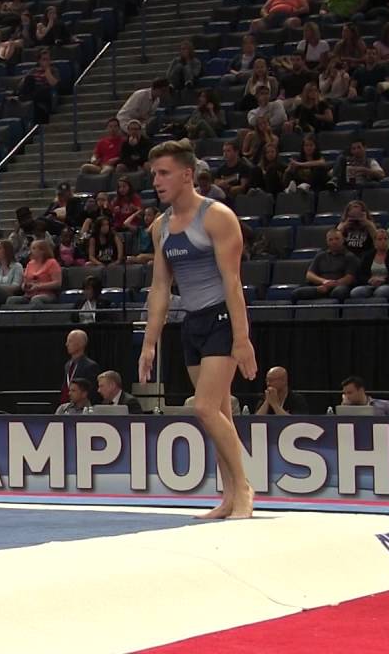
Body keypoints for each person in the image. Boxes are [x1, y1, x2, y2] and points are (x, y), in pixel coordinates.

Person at [137, 139, 256, 519]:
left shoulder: (217, 217)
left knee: (203, 408)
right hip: (192, 323)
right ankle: (229, 497)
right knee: (219, 411)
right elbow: (160, 288)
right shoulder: (161, 228)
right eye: (154, 174)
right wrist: (149, 343)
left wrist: (242, 339)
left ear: (188, 175)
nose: (156, 180)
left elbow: (233, 282)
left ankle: (246, 489)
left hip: (221, 317)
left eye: (164, 173)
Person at [294, 229, 359, 301]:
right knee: (297, 293)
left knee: (339, 292)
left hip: (339, 286)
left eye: (337, 239)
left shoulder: (350, 257)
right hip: (321, 286)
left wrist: (331, 285)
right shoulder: (320, 256)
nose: (334, 242)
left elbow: (349, 279)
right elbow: (309, 275)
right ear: (327, 242)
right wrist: (324, 282)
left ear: (343, 240)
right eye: (330, 240)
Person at [352, 228, 389, 299]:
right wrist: (369, 280)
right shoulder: (367, 256)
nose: (383, 241)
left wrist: (384, 280)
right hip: (370, 285)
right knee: (356, 292)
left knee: (380, 291)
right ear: (374, 242)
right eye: (380, 239)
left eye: (385, 239)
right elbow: (360, 275)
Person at [61, 329, 101, 404]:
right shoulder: (67, 365)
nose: (66, 344)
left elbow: (91, 392)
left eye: (70, 341)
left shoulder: (90, 366)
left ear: (81, 343)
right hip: (67, 407)